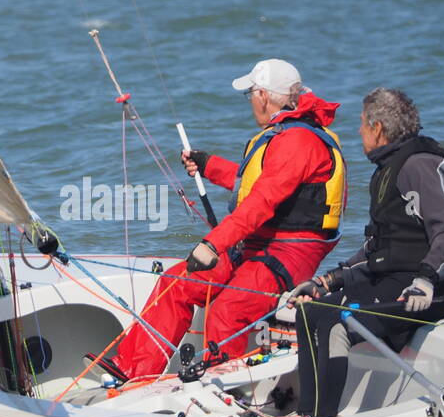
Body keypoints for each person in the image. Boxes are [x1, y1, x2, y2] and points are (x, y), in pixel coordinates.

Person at [89, 59, 347, 384]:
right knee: (177, 282)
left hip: (289, 254)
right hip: (257, 246)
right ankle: (135, 371)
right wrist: (209, 165)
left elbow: (262, 202)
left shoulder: (298, 142)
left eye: (250, 94)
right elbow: (255, 184)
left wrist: (213, 244)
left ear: (264, 96)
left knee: (229, 309)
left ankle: (223, 390)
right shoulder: (285, 135)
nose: (251, 101)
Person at [288, 87, 444, 417]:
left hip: (422, 289)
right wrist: (328, 280)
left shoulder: (419, 167)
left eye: (361, 124)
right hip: (391, 280)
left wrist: (426, 281)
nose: (358, 131)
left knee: (336, 320)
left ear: (378, 129)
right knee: (310, 309)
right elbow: (379, 249)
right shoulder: (387, 168)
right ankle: (306, 413)